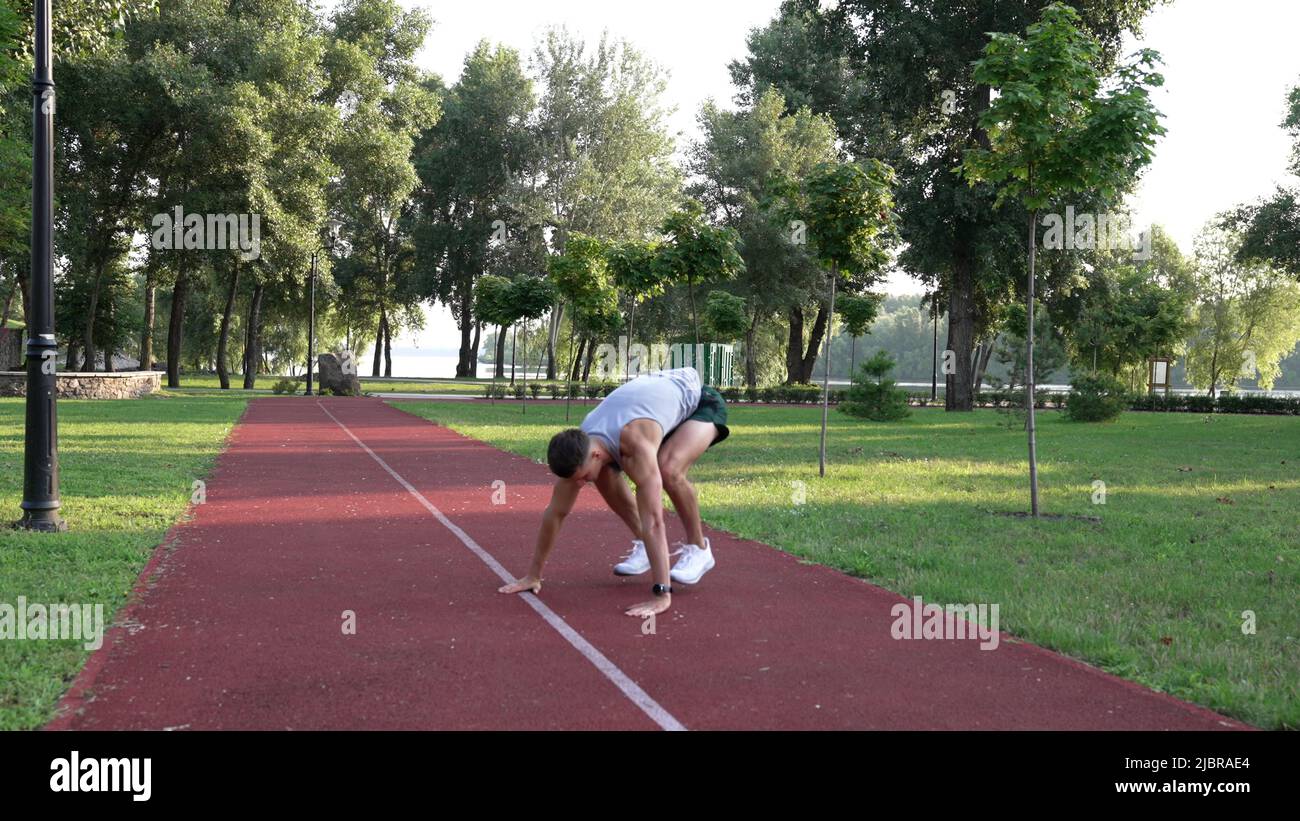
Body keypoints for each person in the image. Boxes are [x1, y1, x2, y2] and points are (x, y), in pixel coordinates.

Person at [498, 366, 729, 617]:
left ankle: (699, 549)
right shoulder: (581, 447)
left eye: (582, 477)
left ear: (595, 454)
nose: (580, 484)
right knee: (603, 474)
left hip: (699, 402)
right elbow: (555, 514)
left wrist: (662, 593)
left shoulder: (634, 443)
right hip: (653, 406)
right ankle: (642, 543)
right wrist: (534, 575)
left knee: (668, 469)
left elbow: (654, 520)